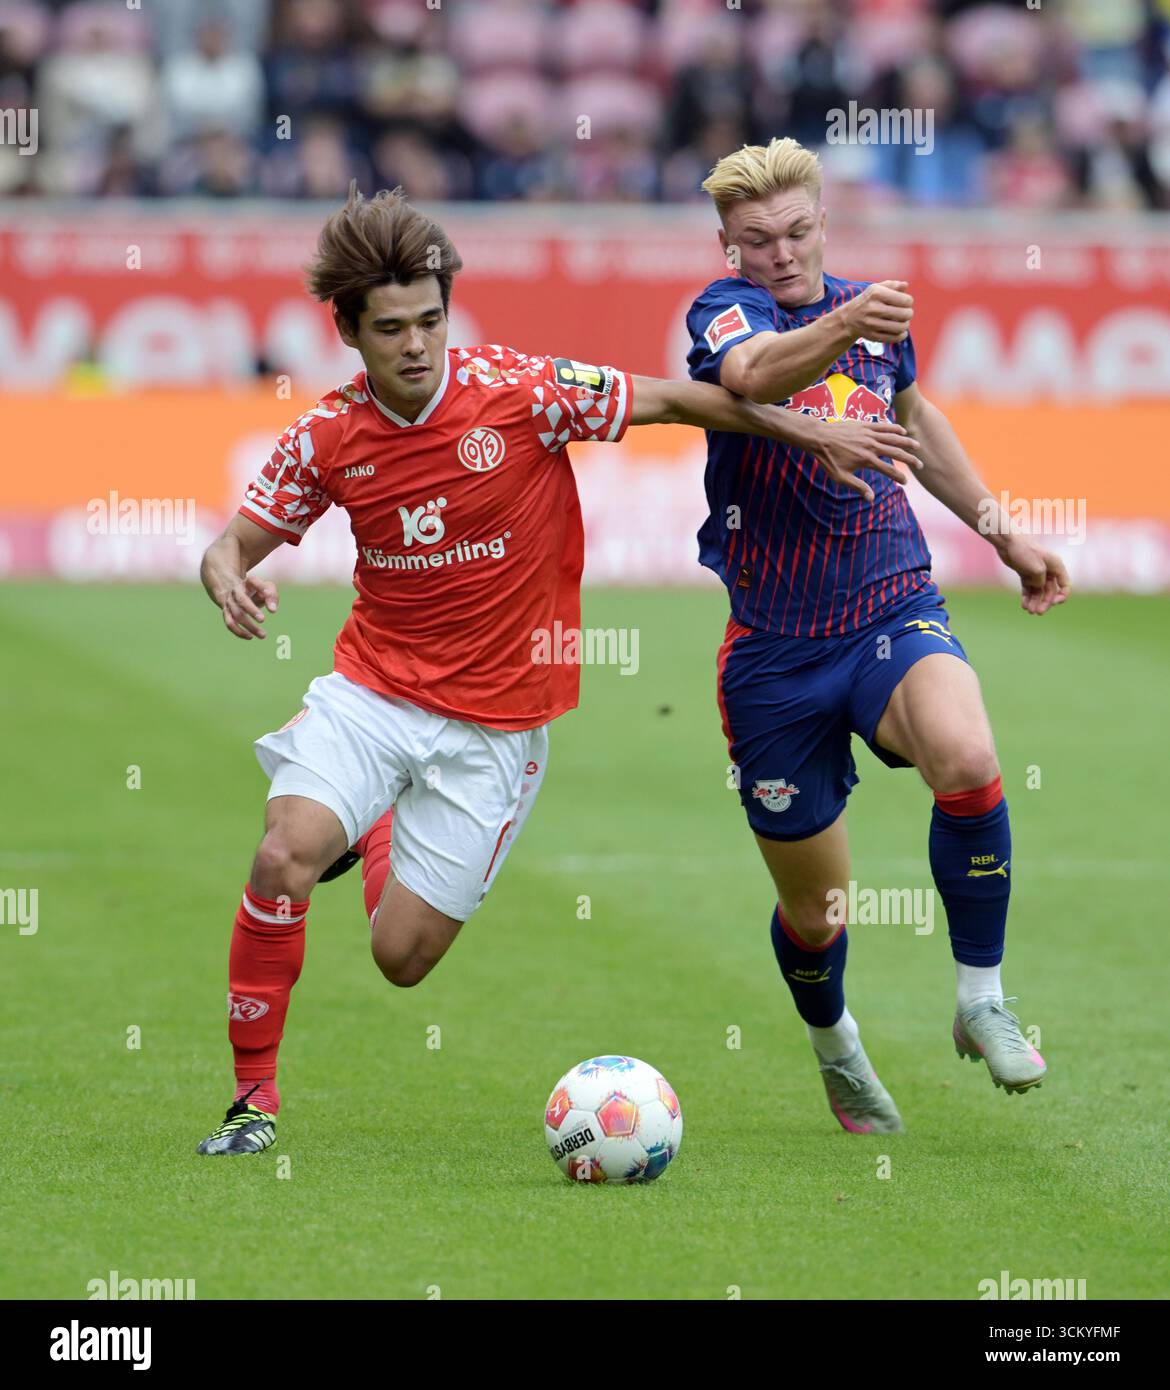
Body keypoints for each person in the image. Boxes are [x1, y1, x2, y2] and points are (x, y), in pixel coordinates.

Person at [195, 182, 916, 1154]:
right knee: (282, 852)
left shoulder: (522, 391)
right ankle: (253, 1102)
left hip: (496, 725)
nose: (416, 344)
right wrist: (228, 579)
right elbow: (229, 545)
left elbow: (676, 400)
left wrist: (814, 428)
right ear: (349, 332)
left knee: (400, 960)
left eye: (430, 321)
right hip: (371, 690)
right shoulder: (327, 436)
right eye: (393, 328)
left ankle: (373, 828)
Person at [686, 138, 1071, 1133]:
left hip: (889, 605)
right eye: (758, 239)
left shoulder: (874, 317)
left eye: (800, 231)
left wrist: (1007, 535)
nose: (782, 252)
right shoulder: (724, 312)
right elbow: (750, 375)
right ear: (729, 244)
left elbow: (912, 416)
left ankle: (980, 997)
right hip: (772, 651)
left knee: (968, 752)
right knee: (817, 914)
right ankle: (837, 1048)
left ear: (825, 221)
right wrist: (846, 320)